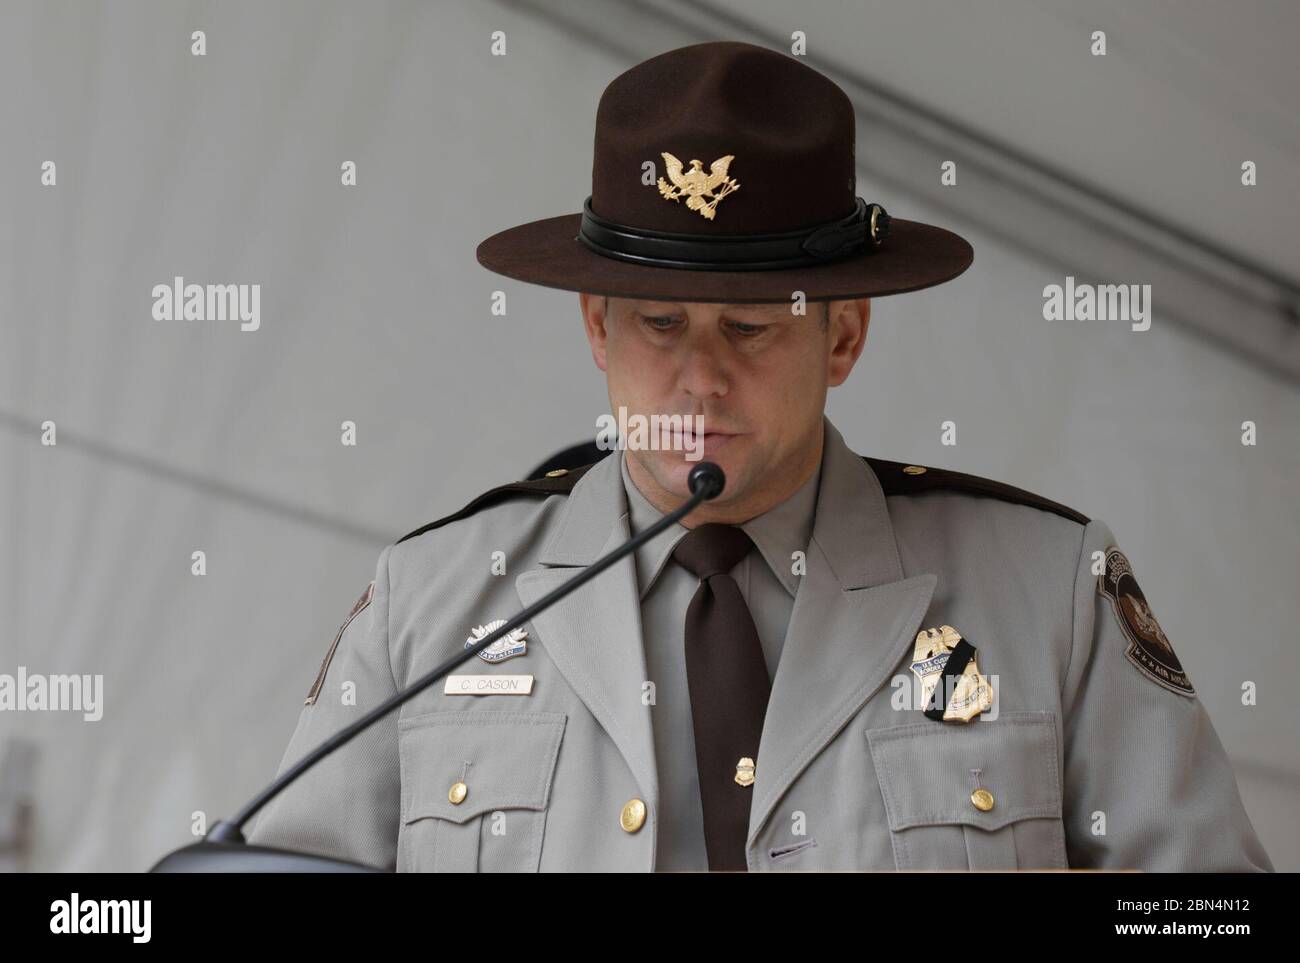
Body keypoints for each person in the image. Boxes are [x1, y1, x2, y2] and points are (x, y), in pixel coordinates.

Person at [247, 40, 1272, 872]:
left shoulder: (1047, 595)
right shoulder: (432, 604)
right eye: (656, 325)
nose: (699, 379)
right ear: (595, 329)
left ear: (843, 338)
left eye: (748, 331)